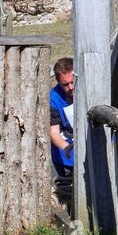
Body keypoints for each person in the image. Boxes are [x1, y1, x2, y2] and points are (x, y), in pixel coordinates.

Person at [49, 57, 75, 209]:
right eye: (65, 84)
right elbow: (54, 133)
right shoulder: (54, 98)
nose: (70, 87)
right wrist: (67, 147)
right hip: (67, 142)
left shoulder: (86, 88)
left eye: (72, 82)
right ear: (59, 82)